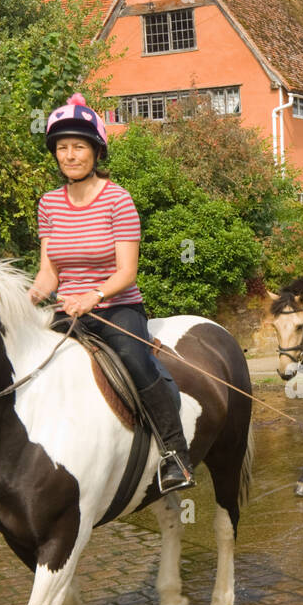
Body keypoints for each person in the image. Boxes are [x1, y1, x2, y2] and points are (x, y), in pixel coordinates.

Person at [27, 93, 195, 492]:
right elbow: (49, 270)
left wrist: (93, 296)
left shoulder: (117, 199)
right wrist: (31, 295)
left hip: (116, 307)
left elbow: (127, 271)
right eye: (62, 148)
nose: (70, 155)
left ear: (96, 151)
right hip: (67, 308)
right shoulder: (49, 204)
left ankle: (175, 453)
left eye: (78, 147)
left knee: (136, 362)